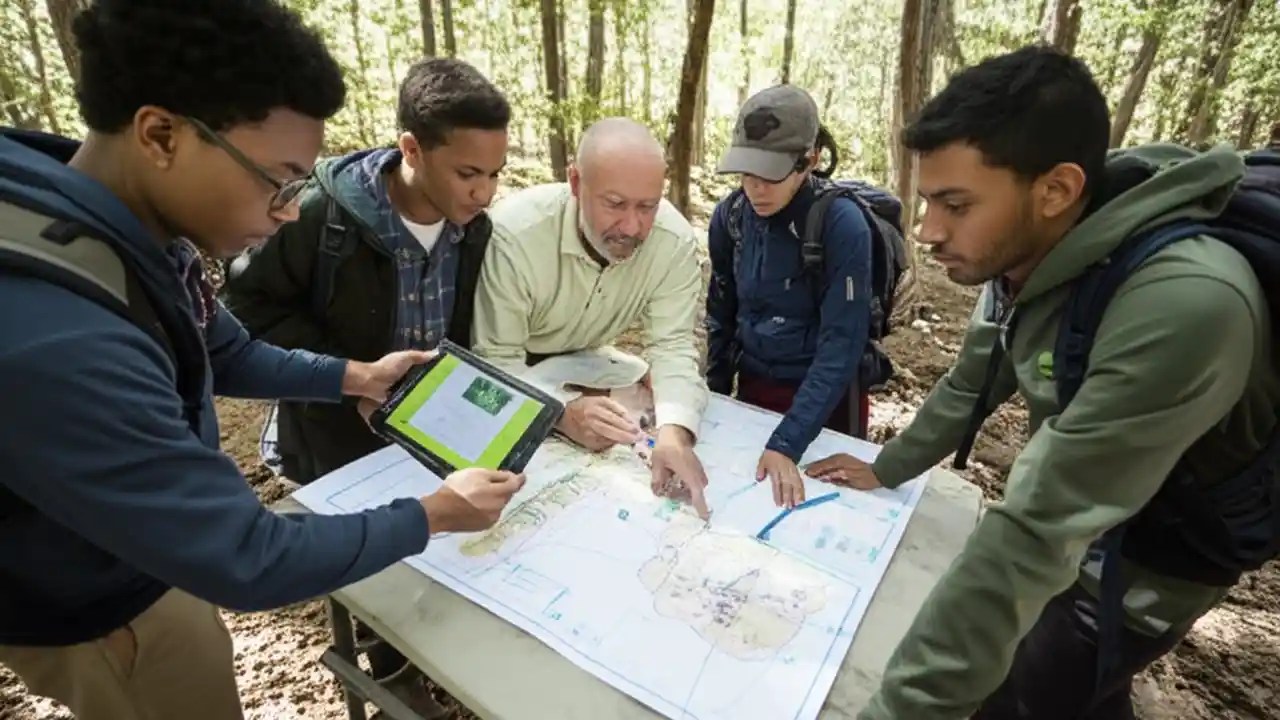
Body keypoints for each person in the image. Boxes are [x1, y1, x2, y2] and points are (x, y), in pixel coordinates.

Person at [0, 3, 523, 720]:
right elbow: (246, 556)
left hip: (147, 552)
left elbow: (227, 350)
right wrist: (434, 513)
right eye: (278, 180)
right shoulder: (61, 336)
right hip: (96, 602)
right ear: (161, 135)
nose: (287, 211)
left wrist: (356, 376)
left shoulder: (119, 227)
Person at [805, 46, 1279, 719]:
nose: (928, 232)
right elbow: (973, 380)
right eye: (928, 200)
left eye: (955, 205)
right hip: (1083, 514)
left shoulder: (1184, 304)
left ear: (1055, 191)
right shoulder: (1022, 251)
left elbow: (1036, 531)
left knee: (1024, 694)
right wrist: (889, 466)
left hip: (1151, 562)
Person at [221, 54, 508, 718]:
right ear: (412, 148)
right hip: (333, 437)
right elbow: (245, 315)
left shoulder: (475, 231)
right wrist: (350, 378)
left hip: (427, 430)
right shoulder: (318, 217)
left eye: (495, 174)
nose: (484, 194)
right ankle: (391, 671)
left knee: (436, 539)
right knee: (368, 567)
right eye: (468, 174)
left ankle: (435, 655)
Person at [471, 117, 712, 518]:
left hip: (587, 359)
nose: (632, 227)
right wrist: (560, 414)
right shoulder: (516, 236)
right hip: (518, 363)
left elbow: (672, 346)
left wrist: (674, 432)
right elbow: (492, 364)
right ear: (575, 183)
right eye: (615, 204)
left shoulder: (673, 242)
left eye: (648, 206)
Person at [706, 84, 874, 510]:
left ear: (810, 160)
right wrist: (714, 398)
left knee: (823, 513)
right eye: (746, 172)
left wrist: (788, 441)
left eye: (771, 174)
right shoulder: (731, 218)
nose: (756, 189)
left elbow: (842, 344)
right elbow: (721, 315)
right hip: (755, 388)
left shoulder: (842, 225)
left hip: (829, 404)